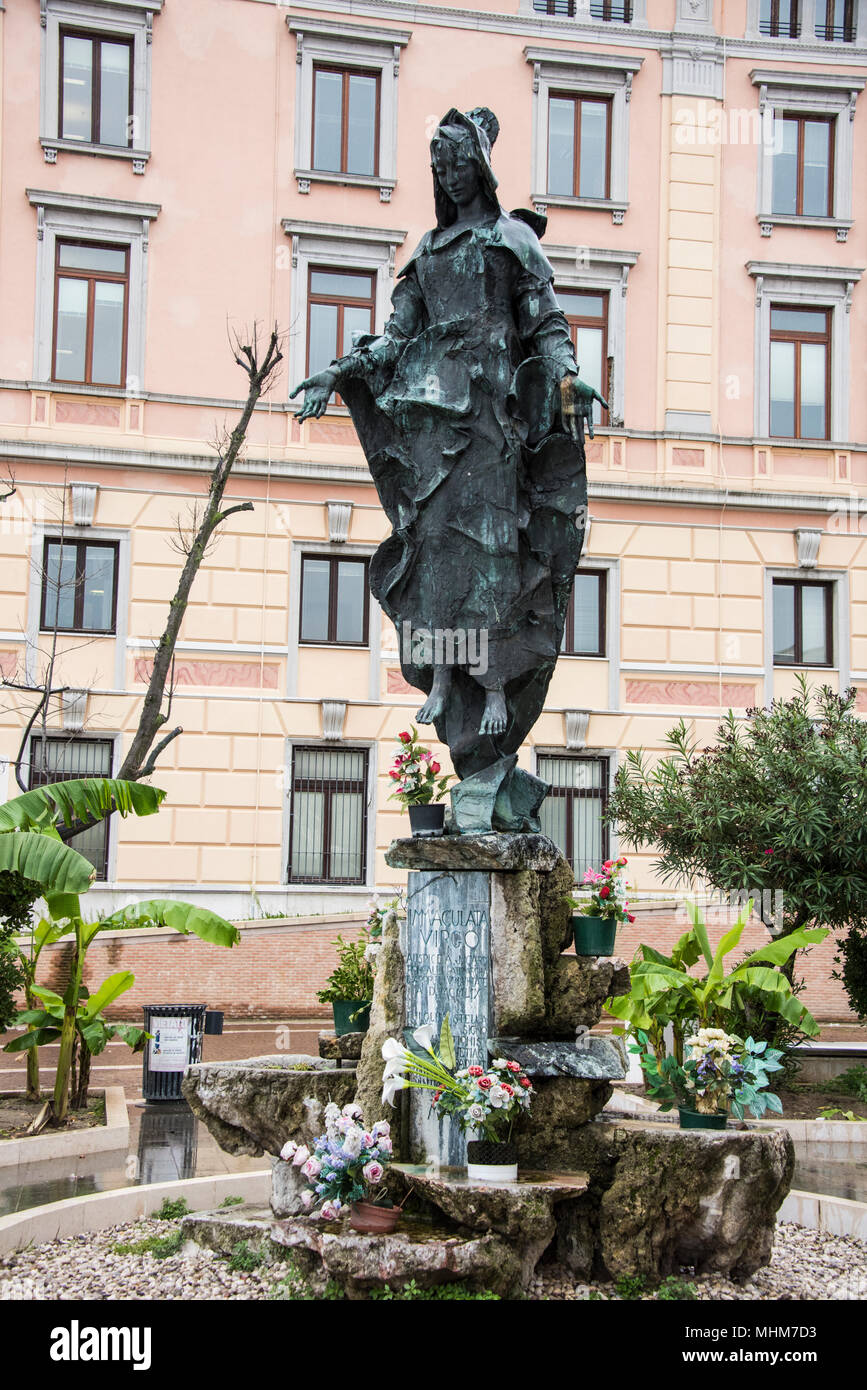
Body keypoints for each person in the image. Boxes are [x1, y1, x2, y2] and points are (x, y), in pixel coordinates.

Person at [292, 107, 606, 830]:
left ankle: (495, 690)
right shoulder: (429, 249)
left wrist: (564, 378)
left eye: (457, 160)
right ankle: (441, 675)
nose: (447, 172)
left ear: (481, 165)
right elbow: (395, 337)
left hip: (493, 418)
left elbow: (546, 321)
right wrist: (339, 372)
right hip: (434, 424)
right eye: (438, 164)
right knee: (435, 555)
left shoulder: (512, 239)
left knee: (493, 551)